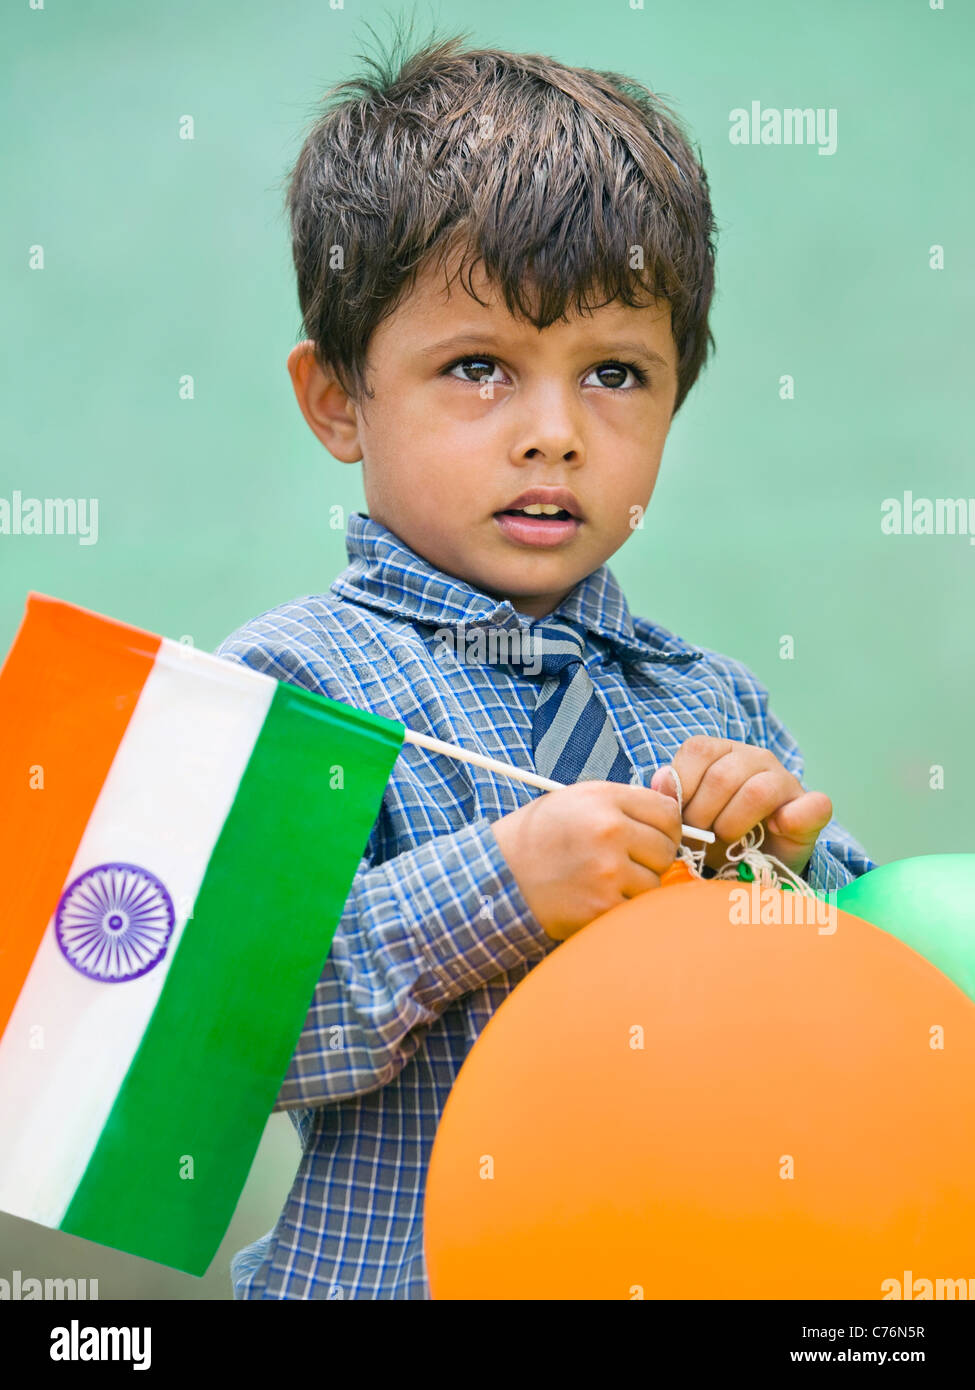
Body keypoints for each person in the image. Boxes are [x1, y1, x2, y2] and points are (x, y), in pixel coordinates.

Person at [214, 25, 876, 1299]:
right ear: (338, 399)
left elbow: (844, 1017)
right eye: (478, 369)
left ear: (677, 399)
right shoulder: (294, 686)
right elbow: (233, 1041)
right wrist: (497, 889)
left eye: (616, 373)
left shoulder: (712, 699)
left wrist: (785, 869)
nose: (556, 435)